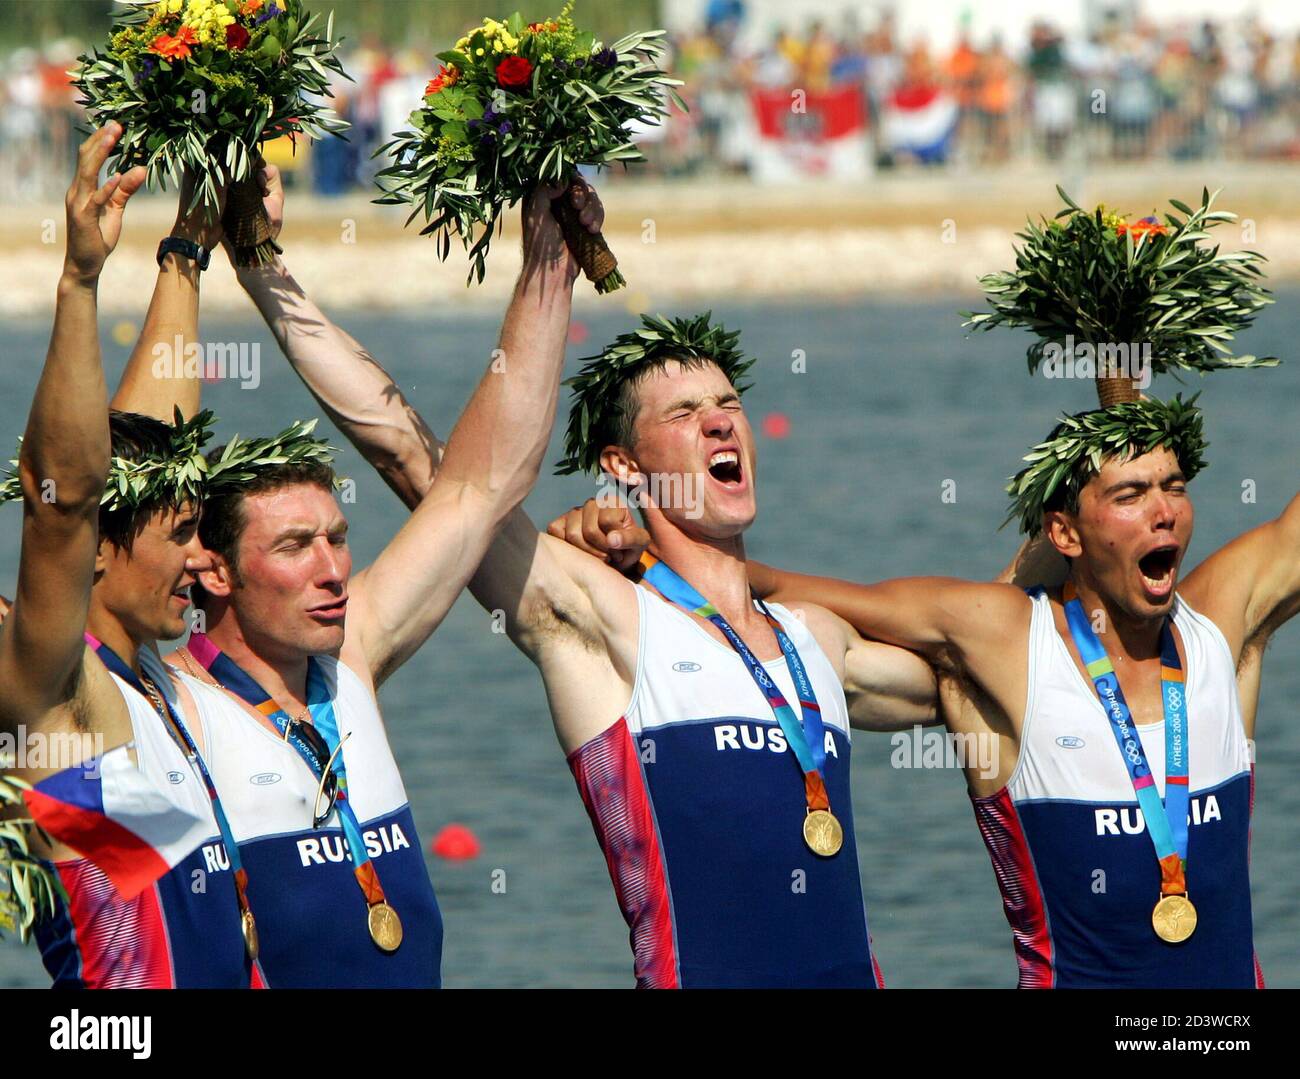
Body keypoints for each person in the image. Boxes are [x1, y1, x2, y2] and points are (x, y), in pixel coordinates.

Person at [106, 162, 608, 987]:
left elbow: (482, 486)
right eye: (295, 546)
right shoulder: (164, 701)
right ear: (214, 571)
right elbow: (136, 500)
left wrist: (546, 247)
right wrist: (188, 247)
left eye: (337, 538)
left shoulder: (351, 659)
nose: (335, 568)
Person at [737, 402, 1294, 988]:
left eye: (1174, 488)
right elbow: (776, 589)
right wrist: (641, 549)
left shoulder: (1217, 624)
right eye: (1129, 496)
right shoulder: (1007, 638)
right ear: (1063, 532)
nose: (1165, 514)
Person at [467, 314, 940, 988]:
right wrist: (549, 264)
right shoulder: (615, 622)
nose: (719, 423)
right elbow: (452, 491)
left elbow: (998, 663)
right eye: (685, 412)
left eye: (729, 405)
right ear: (624, 465)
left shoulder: (817, 639)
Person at [0, 123, 260, 988]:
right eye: (182, 537)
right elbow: (67, 497)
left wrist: (189, 238)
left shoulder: (153, 679)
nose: (201, 559)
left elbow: (148, 451)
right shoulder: (51, 690)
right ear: (99, 556)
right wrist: (79, 280)